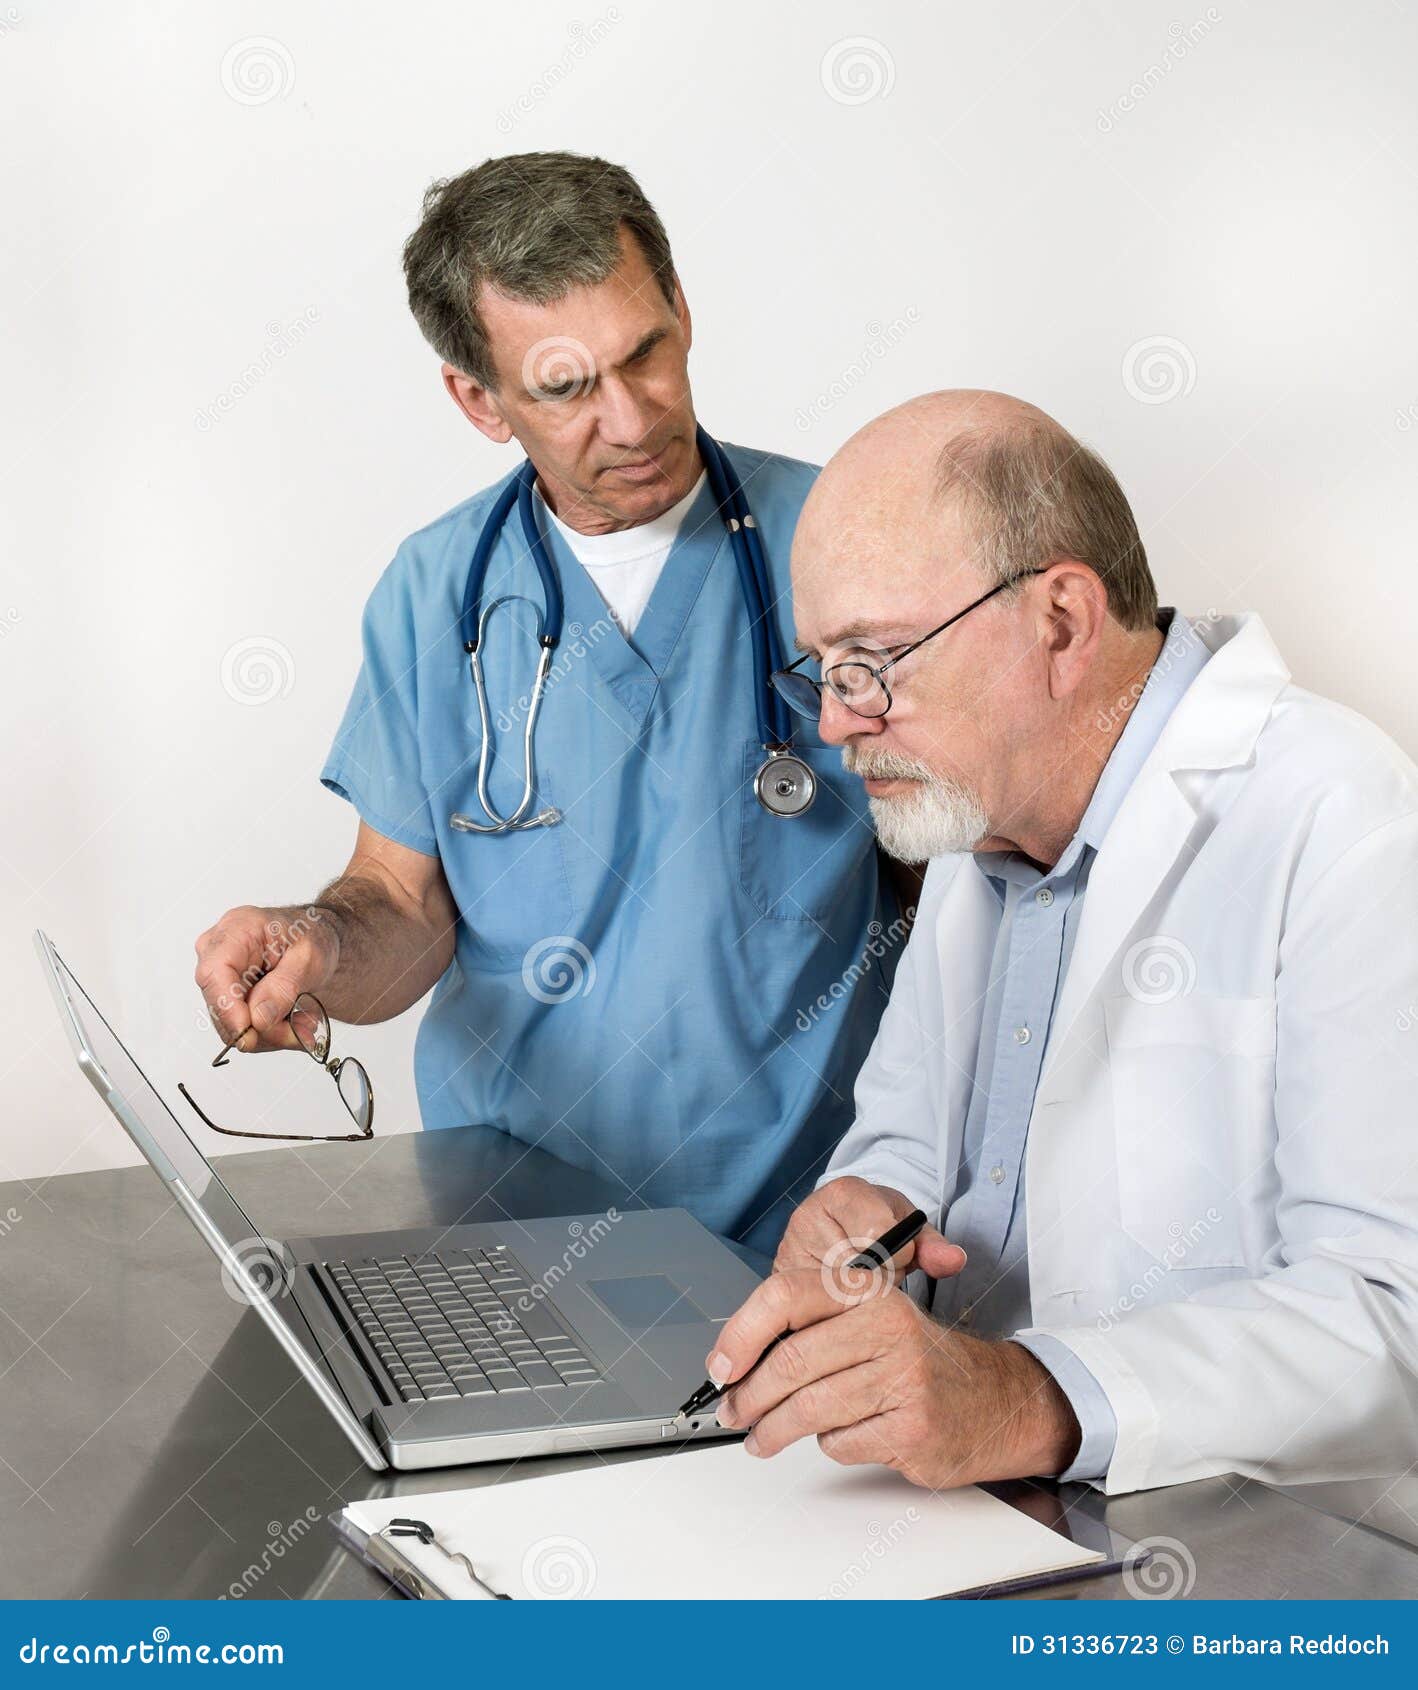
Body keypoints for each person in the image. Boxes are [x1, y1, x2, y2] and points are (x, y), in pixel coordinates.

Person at [706, 389, 1418, 1493]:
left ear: (1061, 622)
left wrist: (1028, 1398)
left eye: (874, 658)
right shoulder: (972, 826)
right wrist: (874, 1215)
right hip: (971, 1520)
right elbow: (907, 1144)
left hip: (1251, 1560)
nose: (838, 719)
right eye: (824, 668)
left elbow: (1390, 1313)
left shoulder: (1343, 816)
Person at [192, 153, 900, 1255]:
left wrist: (927, 1159)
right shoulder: (437, 592)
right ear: (478, 398)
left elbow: (962, 882)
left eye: (645, 355)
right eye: (567, 389)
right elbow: (401, 898)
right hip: (512, 1224)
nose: (628, 421)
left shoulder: (846, 538)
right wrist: (319, 943)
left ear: (680, 310)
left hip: (812, 1221)